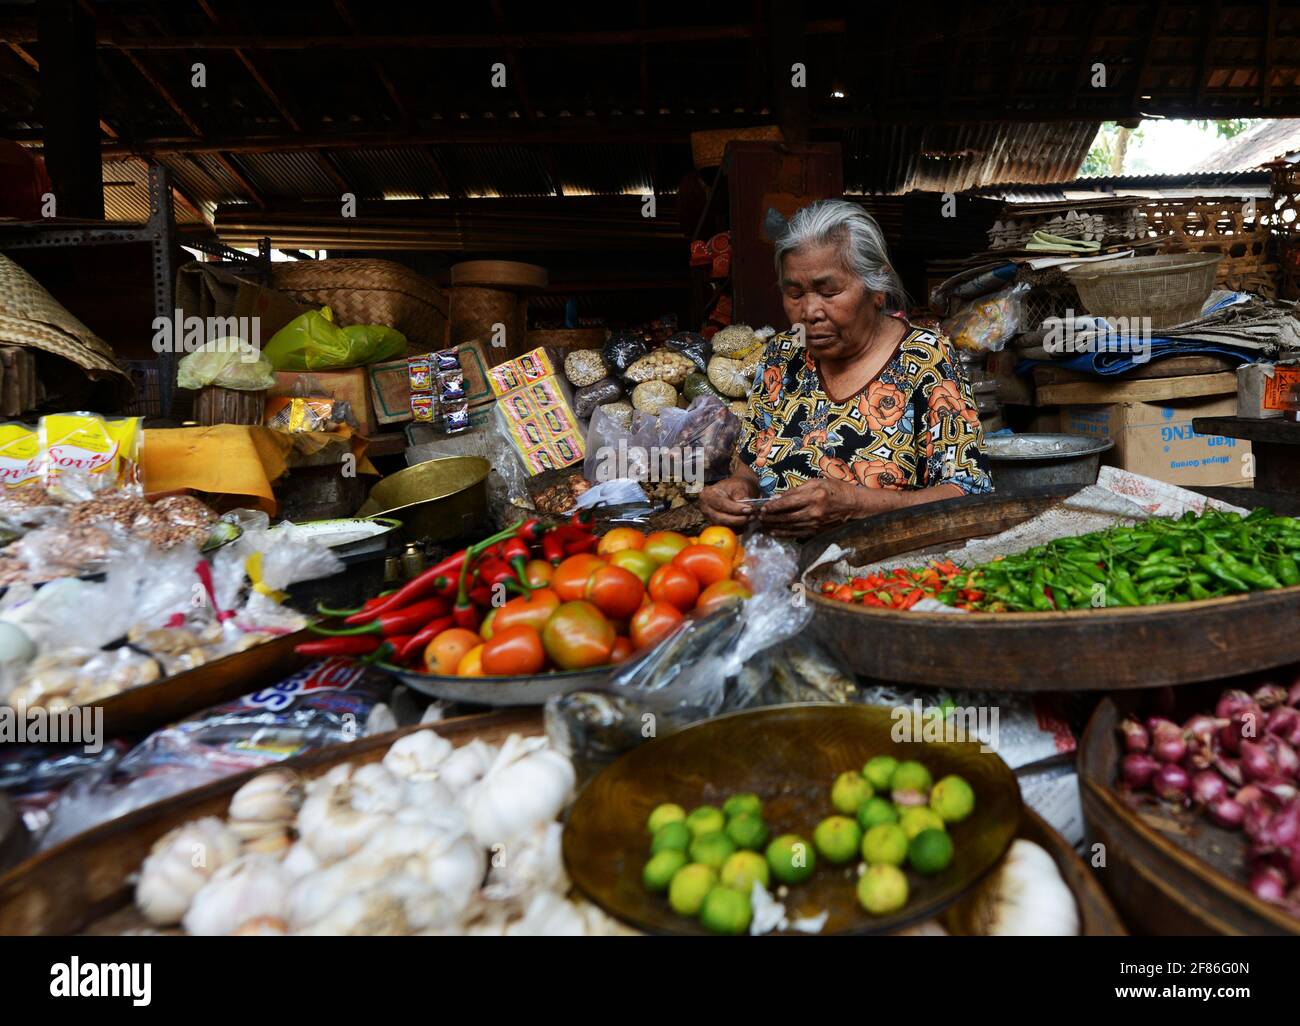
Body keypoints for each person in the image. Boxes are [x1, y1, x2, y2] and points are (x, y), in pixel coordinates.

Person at [698, 199, 991, 538]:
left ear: (877, 287)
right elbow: (751, 465)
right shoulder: (782, 355)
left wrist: (855, 505)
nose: (809, 311)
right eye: (794, 294)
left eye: (829, 291)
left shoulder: (925, 358)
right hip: (773, 566)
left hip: (880, 575)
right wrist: (736, 490)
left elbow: (968, 493)